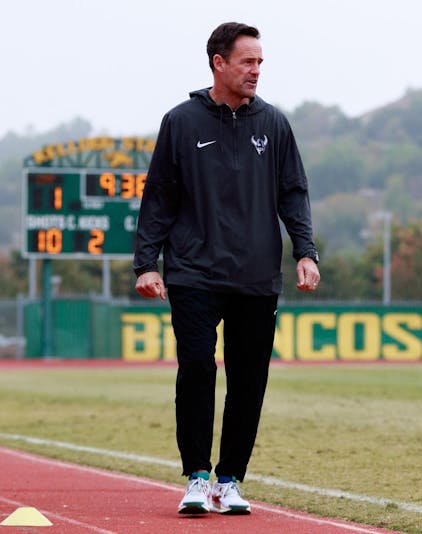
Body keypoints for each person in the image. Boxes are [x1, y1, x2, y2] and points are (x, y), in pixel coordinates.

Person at [132, 21, 320, 515]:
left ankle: (229, 480)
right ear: (219, 62)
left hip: (257, 275)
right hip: (193, 271)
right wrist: (146, 263)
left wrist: (305, 250)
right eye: (247, 61)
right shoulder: (180, 121)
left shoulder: (275, 124)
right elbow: (159, 198)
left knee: (249, 379)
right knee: (196, 368)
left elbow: (293, 193)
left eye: (260, 62)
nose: (256, 70)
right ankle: (196, 476)